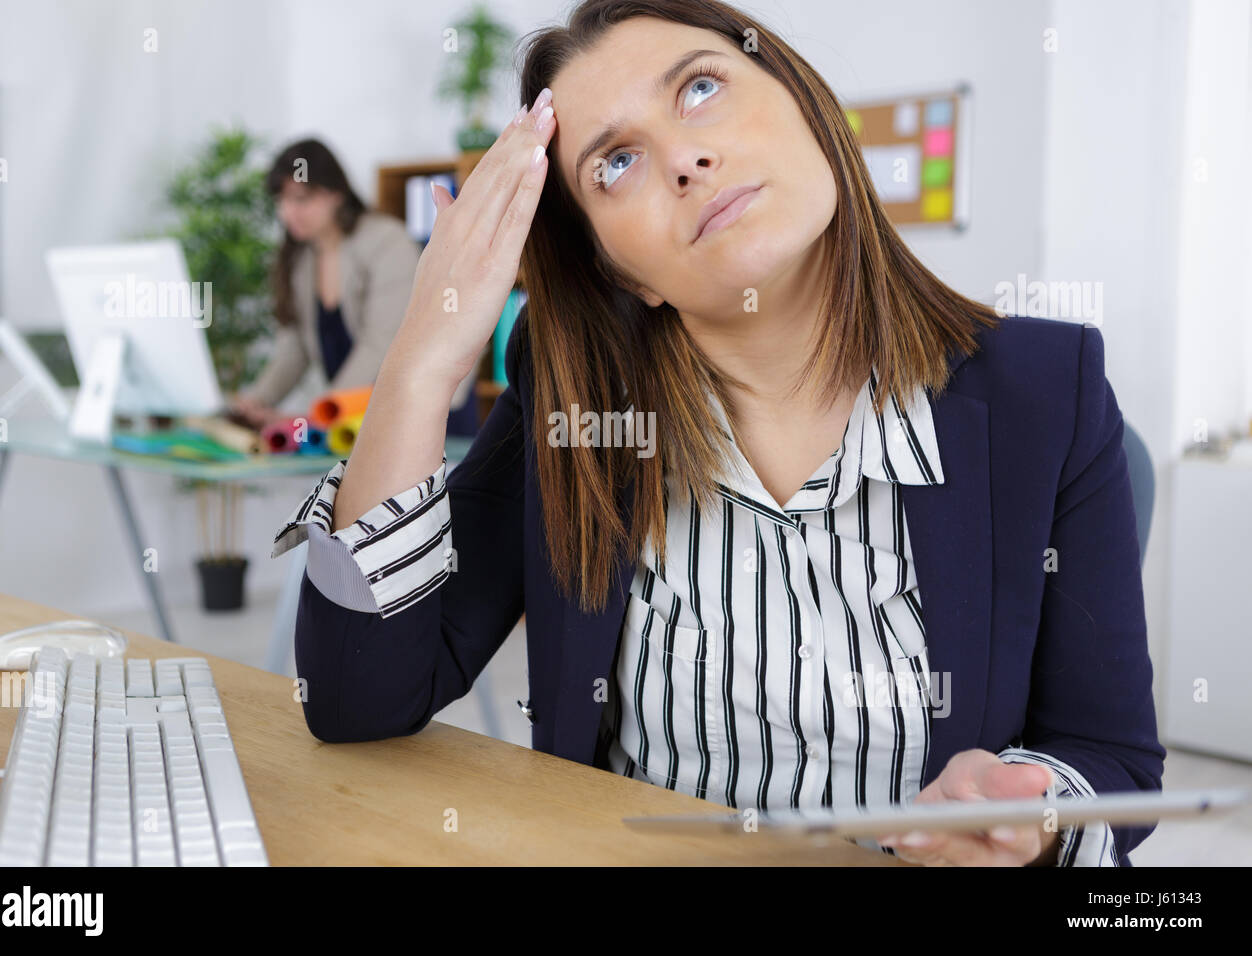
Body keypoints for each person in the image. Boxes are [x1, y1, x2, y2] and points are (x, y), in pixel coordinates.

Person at [270, 0, 1164, 867]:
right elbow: (356, 700)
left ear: (807, 105)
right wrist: (423, 359)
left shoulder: (1048, 390)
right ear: (619, 268)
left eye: (700, 88)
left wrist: (1032, 817)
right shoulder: (578, 398)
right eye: (616, 162)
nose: (684, 160)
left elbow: (1110, 758)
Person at [229, 137, 478, 432]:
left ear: (336, 193)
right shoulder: (300, 260)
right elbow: (292, 351)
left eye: (301, 199)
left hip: (425, 412)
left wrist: (321, 415)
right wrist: (255, 402)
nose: (287, 212)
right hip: (356, 417)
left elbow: (380, 345)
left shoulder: (387, 242)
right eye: (281, 200)